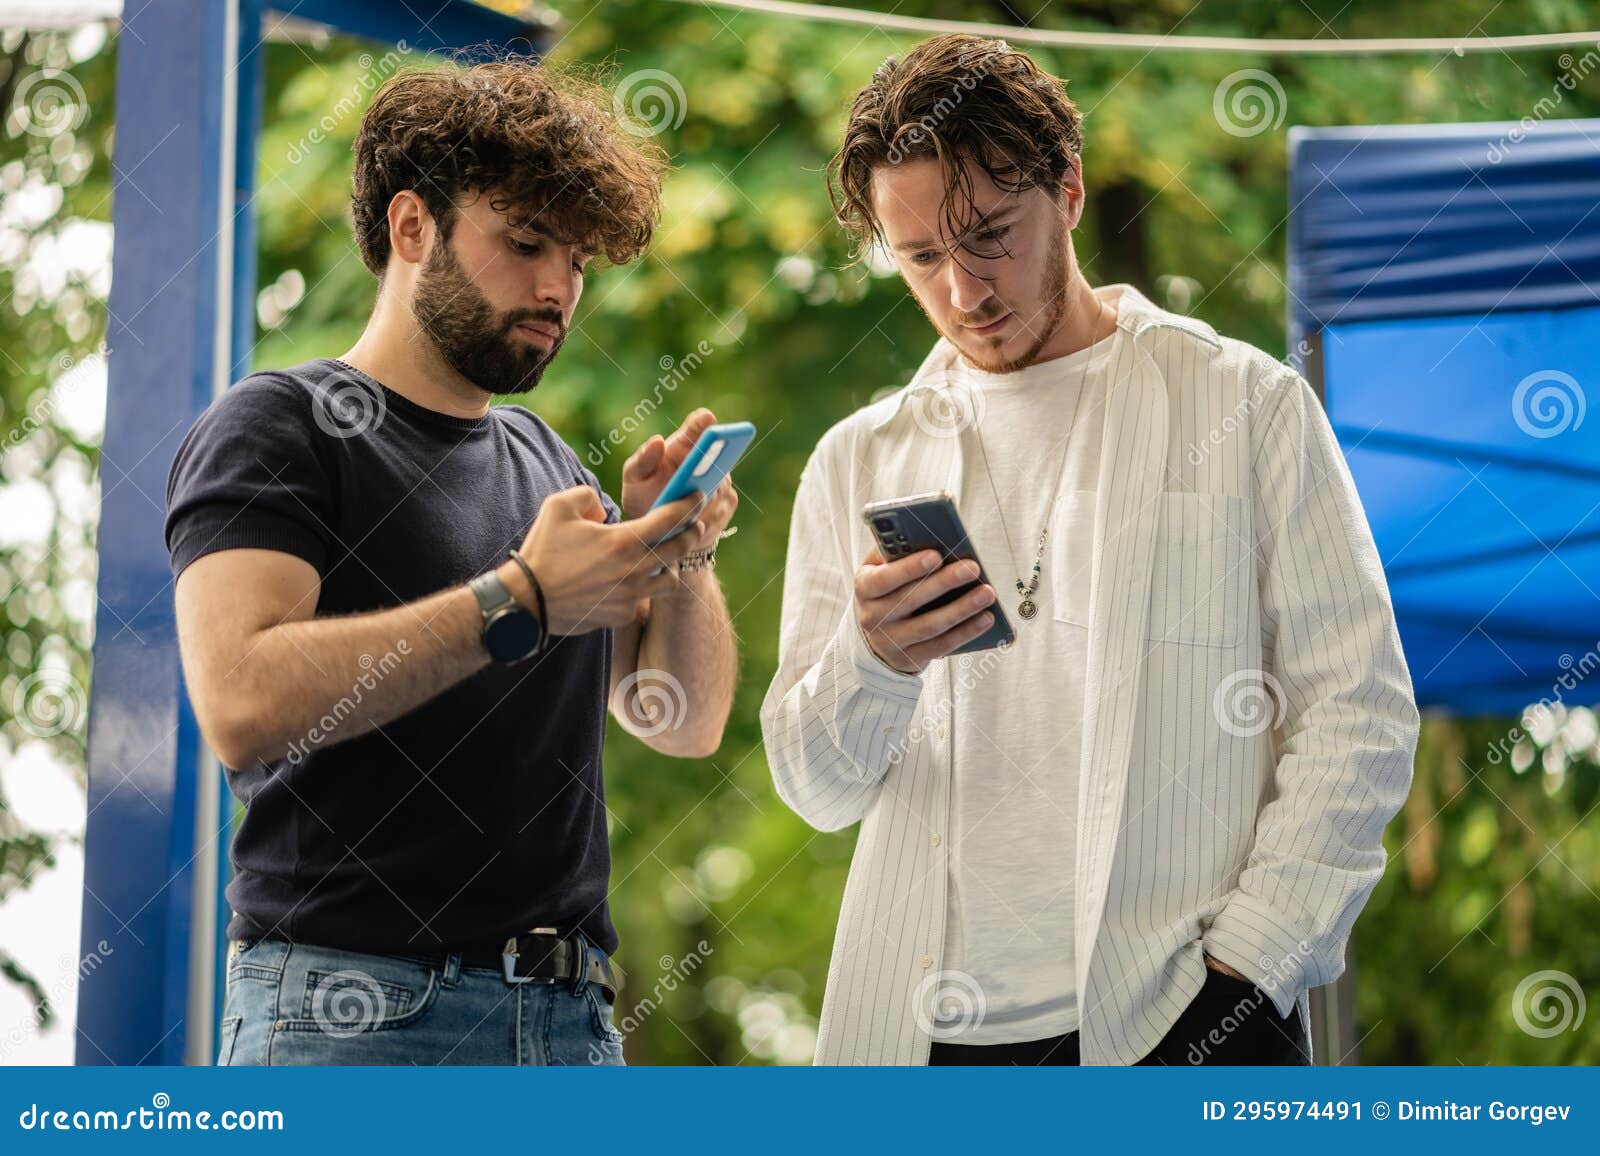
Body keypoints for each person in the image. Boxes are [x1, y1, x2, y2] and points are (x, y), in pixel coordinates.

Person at [760, 33, 1418, 1066]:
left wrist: (1250, 967)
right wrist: (872, 662)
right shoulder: (858, 462)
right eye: (922, 257)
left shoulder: (1243, 403)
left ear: (1066, 188)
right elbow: (816, 787)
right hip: (921, 1038)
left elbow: (1357, 708)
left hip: (1186, 1011)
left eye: (989, 235)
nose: (965, 289)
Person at [166, 60, 738, 1066]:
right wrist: (520, 597)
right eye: (524, 243)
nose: (557, 286)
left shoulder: (550, 464)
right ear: (411, 228)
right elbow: (239, 702)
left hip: (569, 1029)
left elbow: (681, 721)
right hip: (353, 1021)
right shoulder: (277, 425)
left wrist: (679, 552)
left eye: (577, 260)